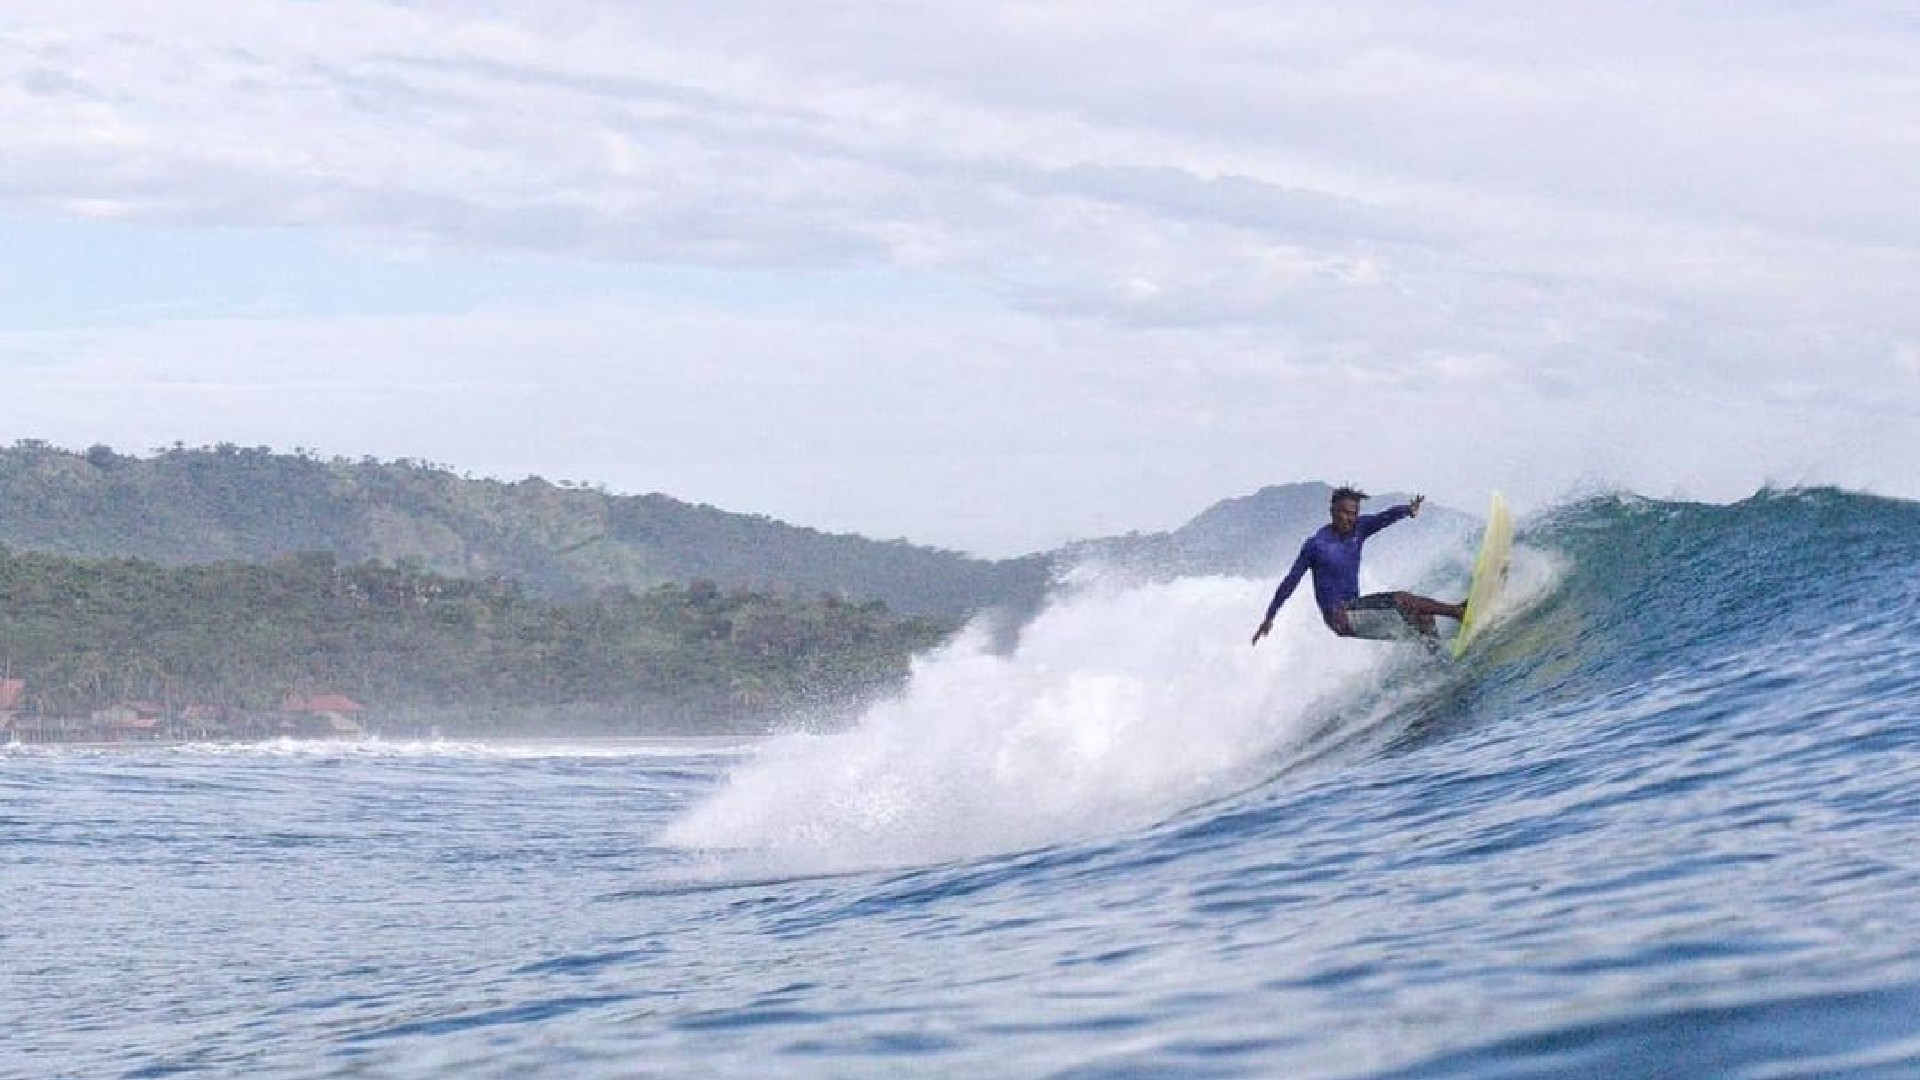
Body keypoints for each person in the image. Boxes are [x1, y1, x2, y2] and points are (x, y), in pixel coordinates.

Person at [1250, 486, 1465, 645]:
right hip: (1340, 617)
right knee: (1402, 599)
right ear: (1333, 510)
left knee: (1422, 617)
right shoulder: (1316, 545)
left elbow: (1384, 517)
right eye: (1345, 512)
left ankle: (1437, 658)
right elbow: (1290, 582)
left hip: (1357, 608)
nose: (1350, 518)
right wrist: (1269, 617)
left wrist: (1408, 510)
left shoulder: (1359, 529)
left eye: (1354, 513)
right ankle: (1458, 612)